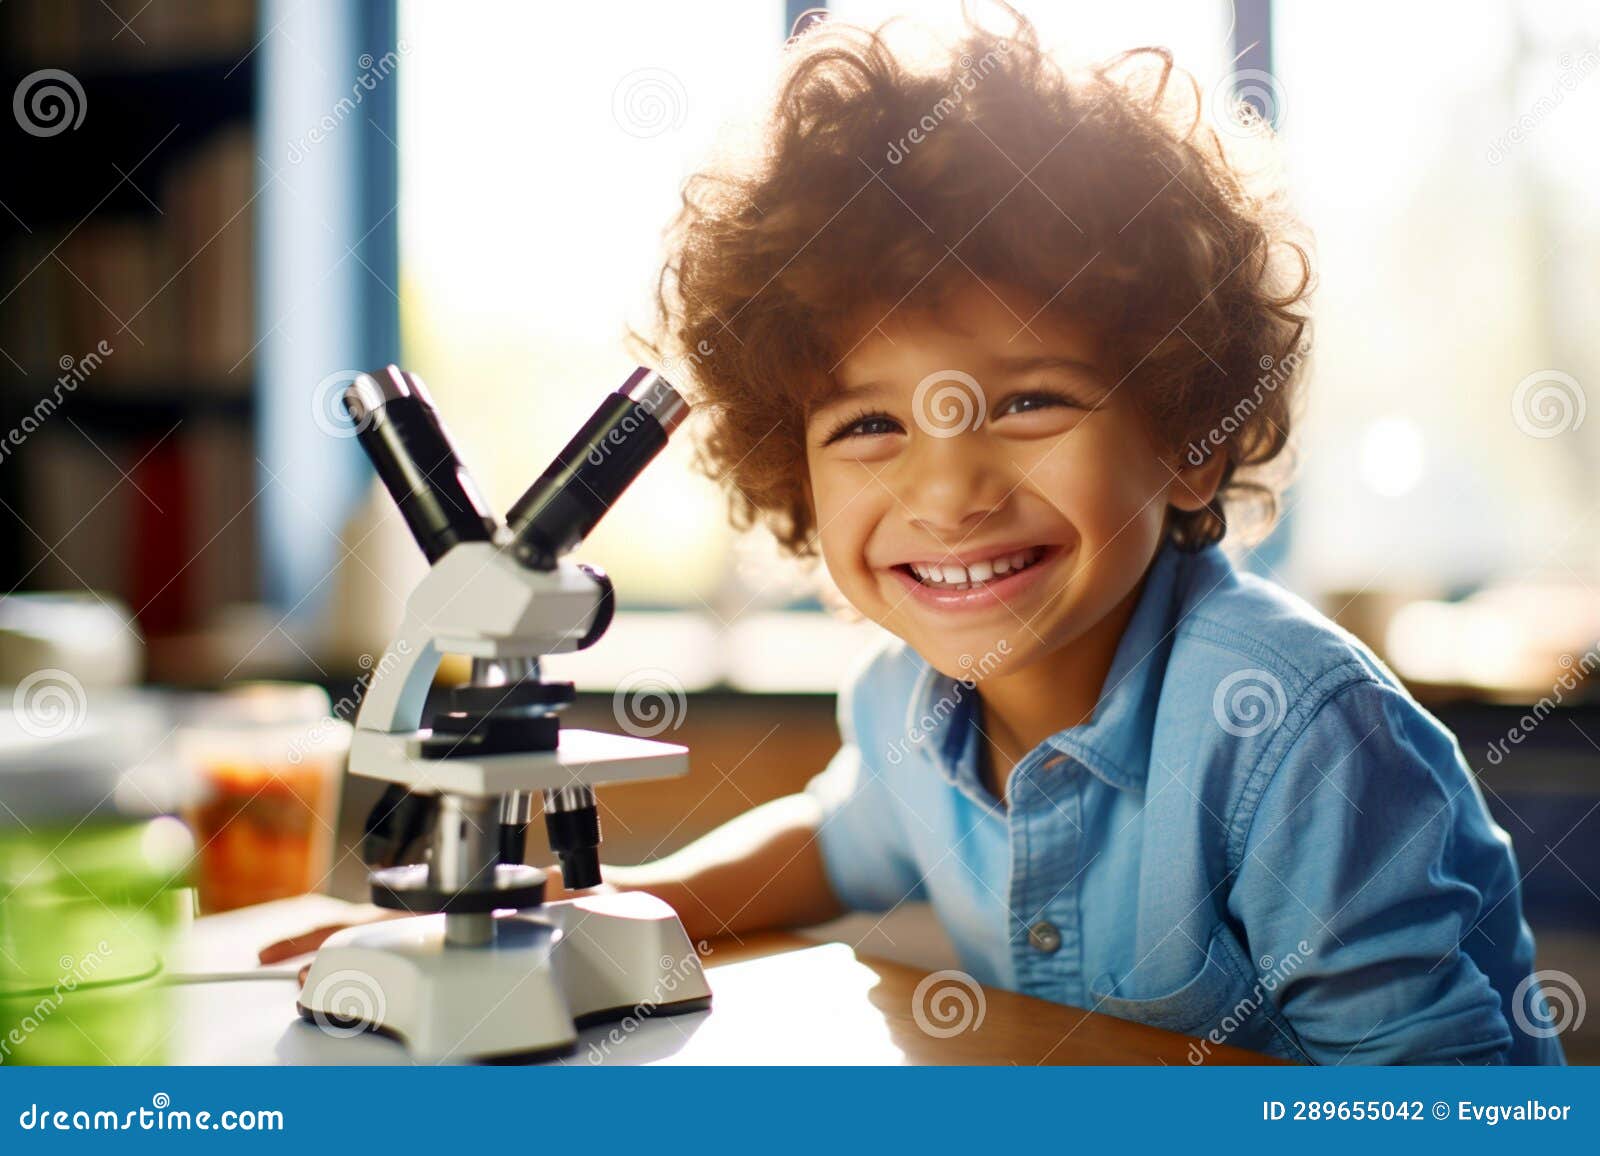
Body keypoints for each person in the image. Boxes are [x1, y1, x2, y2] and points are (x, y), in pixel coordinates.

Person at [273, 5, 1561, 1064]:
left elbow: (1441, 1110)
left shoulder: (1291, 734)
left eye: (1031, 403)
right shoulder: (907, 703)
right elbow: (824, 841)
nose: (948, 496)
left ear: (1190, 439)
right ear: (795, 468)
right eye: (870, 429)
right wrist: (546, 924)